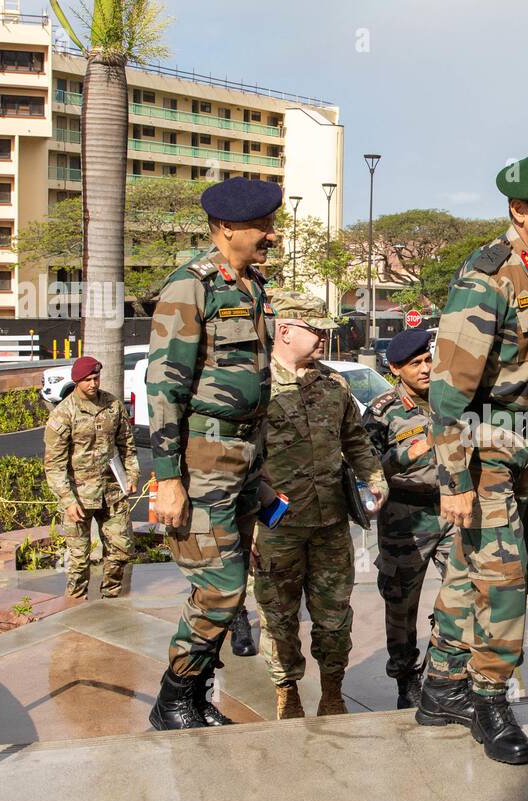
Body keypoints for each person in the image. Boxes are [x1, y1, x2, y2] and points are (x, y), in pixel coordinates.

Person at [422, 149, 528, 765]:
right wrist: (454, 479)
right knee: (502, 581)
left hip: (521, 450)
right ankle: (489, 699)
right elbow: (449, 390)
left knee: (467, 574)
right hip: (481, 455)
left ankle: (441, 689)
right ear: (520, 210)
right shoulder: (488, 279)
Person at [145, 176, 281, 731]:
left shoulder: (251, 287)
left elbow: (260, 383)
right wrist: (166, 480)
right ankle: (172, 698)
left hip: (242, 457)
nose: (271, 235)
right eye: (262, 226)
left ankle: (195, 696)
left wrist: (262, 470)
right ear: (227, 228)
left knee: (229, 583)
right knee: (219, 588)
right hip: (202, 461)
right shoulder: (190, 287)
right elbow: (165, 385)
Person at [255, 291, 387, 719]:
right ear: (286, 330)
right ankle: (287, 690)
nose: (324, 341)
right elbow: (237, 457)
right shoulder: (256, 388)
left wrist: (373, 476)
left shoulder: (334, 384)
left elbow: (355, 439)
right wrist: (247, 524)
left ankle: (333, 690)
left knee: (334, 617)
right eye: (317, 331)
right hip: (278, 527)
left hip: (331, 522)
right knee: (279, 615)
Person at [362, 328, 455, 709]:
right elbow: (365, 466)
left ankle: (444, 665)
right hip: (405, 516)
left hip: (451, 509)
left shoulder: (449, 401)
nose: (425, 369)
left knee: (463, 590)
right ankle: (405, 678)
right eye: (415, 363)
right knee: (401, 602)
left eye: (428, 360)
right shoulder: (383, 411)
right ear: (395, 367)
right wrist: (405, 455)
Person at [42, 355, 139, 600]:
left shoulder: (113, 405)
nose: (93, 384)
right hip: (80, 497)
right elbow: (54, 464)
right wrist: (67, 500)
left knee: (121, 550)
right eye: (87, 380)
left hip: (112, 492)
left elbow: (126, 444)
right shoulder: (63, 414)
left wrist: (132, 474)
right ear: (77, 382)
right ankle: (75, 606)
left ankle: (111, 599)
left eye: (96, 378)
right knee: (78, 562)